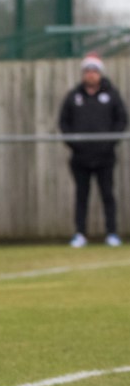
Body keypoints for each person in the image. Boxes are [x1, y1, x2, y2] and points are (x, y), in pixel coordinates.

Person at [58, 54, 128, 248]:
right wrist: (75, 144)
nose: (91, 74)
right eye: (87, 71)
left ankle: (112, 233)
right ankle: (80, 234)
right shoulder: (74, 96)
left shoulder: (112, 95)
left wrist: (109, 143)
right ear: (83, 74)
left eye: (94, 71)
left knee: (107, 195)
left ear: (100, 73)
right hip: (80, 157)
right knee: (82, 196)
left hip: (105, 157)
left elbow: (121, 120)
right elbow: (64, 122)